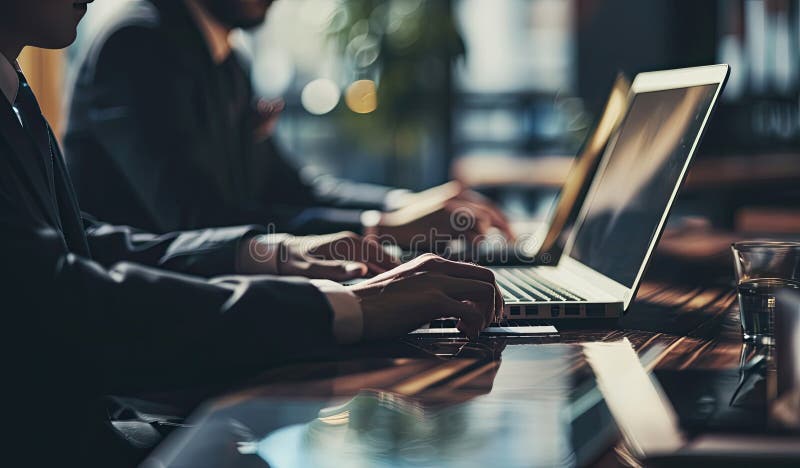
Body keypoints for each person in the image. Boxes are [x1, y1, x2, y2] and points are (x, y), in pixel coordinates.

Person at [0, 1, 502, 464]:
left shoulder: (17, 91)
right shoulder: (135, 44)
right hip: (115, 393)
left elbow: (85, 244)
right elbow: (74, 287)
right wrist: (347, 303)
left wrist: (281, 252)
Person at [64, 0, 514, 249]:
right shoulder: (138, 46)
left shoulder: (227, 62)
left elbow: (295, 188)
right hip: (156, 335)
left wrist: (409, 204)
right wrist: (378, 227)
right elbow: (197, 220)